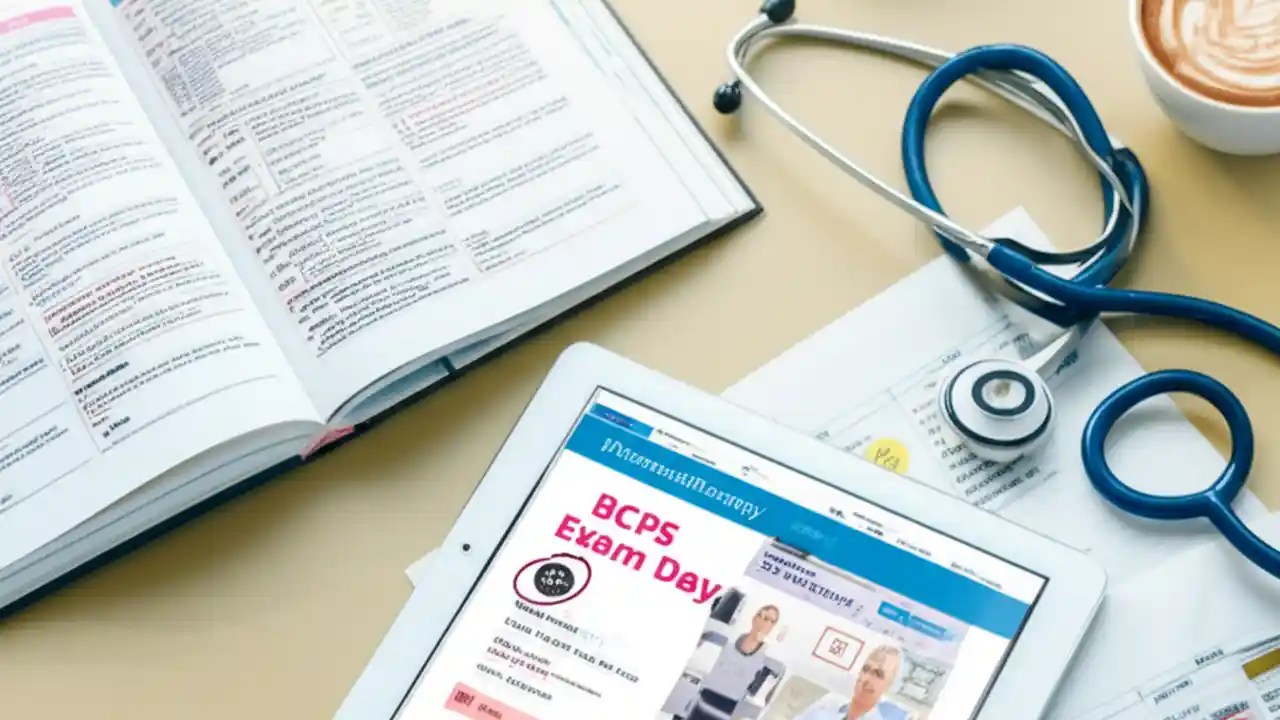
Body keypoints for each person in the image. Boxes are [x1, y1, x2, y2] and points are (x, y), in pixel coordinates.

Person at [683, 605, 781, 720]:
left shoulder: (767, 657)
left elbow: (764, 695)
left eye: (772, 621)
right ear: (755, 618)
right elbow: (707, 635)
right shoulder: (729, 640)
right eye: (765, 618)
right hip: (704, 700)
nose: (767, 624)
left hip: (728, 711)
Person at [794, 645, 902, 720]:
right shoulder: (829, 702)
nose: (865, 678)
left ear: (889, 685)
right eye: (865, 669)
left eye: (878, 674)